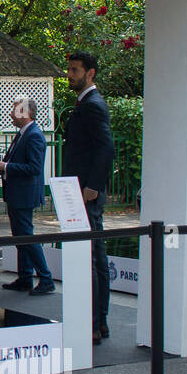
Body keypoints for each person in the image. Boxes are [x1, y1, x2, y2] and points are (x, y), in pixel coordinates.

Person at [61, 52, 115, 344]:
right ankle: (99, 321)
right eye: (69, 69)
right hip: (81, 190)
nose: (69, 74)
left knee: (92, 258)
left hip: (85, 193)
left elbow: (106, 148)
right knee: (96, 257)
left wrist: (92, 186)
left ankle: (94, 323)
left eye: (74, 70)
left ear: (90, 73)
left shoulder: (93, 105)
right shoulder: (86, 104)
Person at [0, 97, 54, 295]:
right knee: (21, 236)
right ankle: (25, 277)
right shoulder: (24, 134)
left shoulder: (34, 135)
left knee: (26, 236)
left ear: (26, 113)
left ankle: (45, 278)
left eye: (15, 111)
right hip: (17, 193)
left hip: (24, 194)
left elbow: (34, 167)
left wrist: (7, 167)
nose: (11, 114)